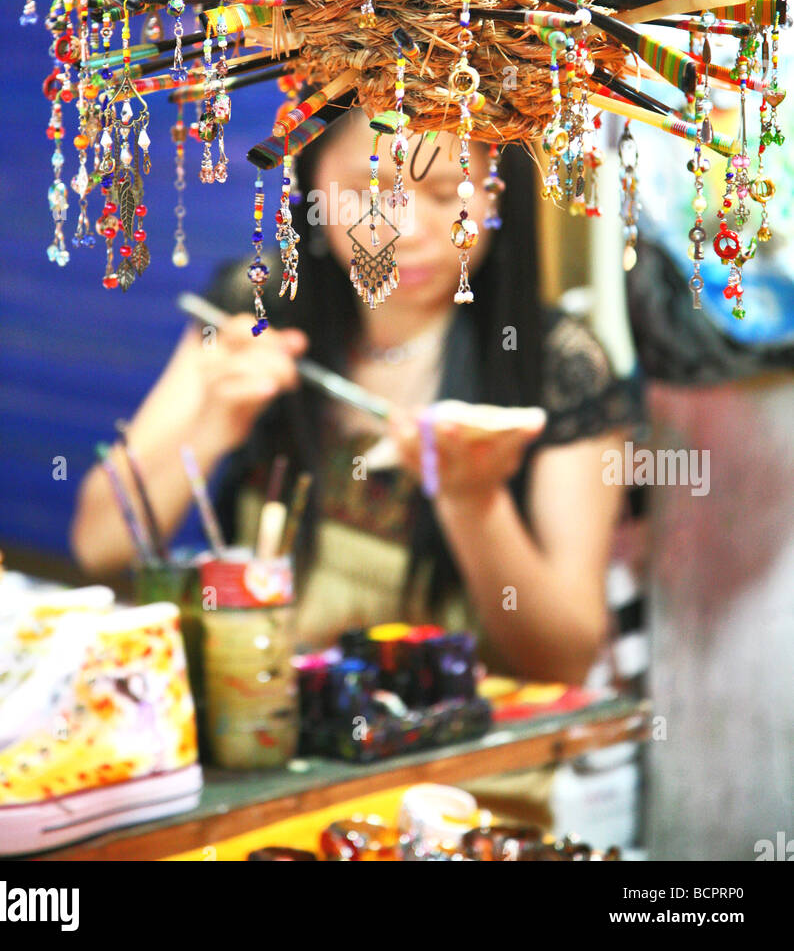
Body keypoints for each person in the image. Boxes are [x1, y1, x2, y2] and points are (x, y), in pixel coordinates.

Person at [72, 106, 642, 688]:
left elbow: (565, 658)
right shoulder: (255, 309)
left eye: (449, 193)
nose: (409, 229)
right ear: (311, 185)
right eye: (372, 190)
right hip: (267, 723)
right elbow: (101, 547)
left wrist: (474, 500)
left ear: (501, 198)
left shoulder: (558, 365)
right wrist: (211, 425)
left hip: (452, 760)